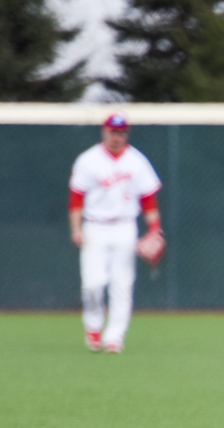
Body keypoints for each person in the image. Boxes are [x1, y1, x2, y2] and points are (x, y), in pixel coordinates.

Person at [69, 113, 164, 353]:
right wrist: (76, 229)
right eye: (113, 131)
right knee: (93, 283)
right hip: (95, 226)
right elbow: (76, 199)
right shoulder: (88, 160)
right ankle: (93, 328)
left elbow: (148, 199)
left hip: (125, 226)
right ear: (104, 132)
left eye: (121, 132)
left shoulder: (137, 161)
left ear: (126, 134)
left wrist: (155, 229)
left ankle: (115, 337)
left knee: (122, 285)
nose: (117, 136)